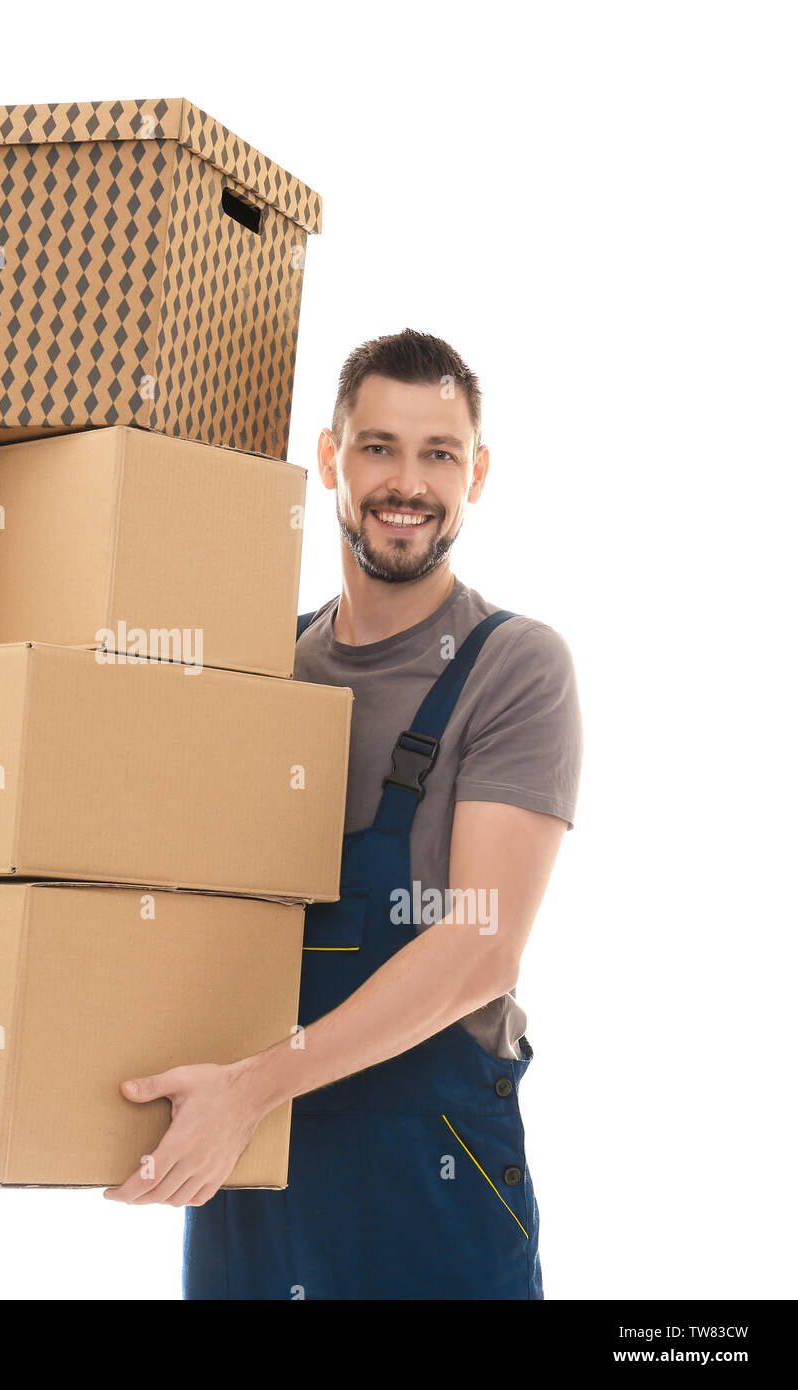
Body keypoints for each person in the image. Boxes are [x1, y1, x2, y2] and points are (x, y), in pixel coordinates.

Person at [103, 328, 583, 1300]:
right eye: (377, 447)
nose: (406, 481)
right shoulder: (257, 667)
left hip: (428, 1176)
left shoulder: (514, 668)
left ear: (475, 474)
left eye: (437, 453)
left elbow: (477, 951)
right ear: (329, 459)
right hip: (253, 1182)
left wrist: (250, 1087)